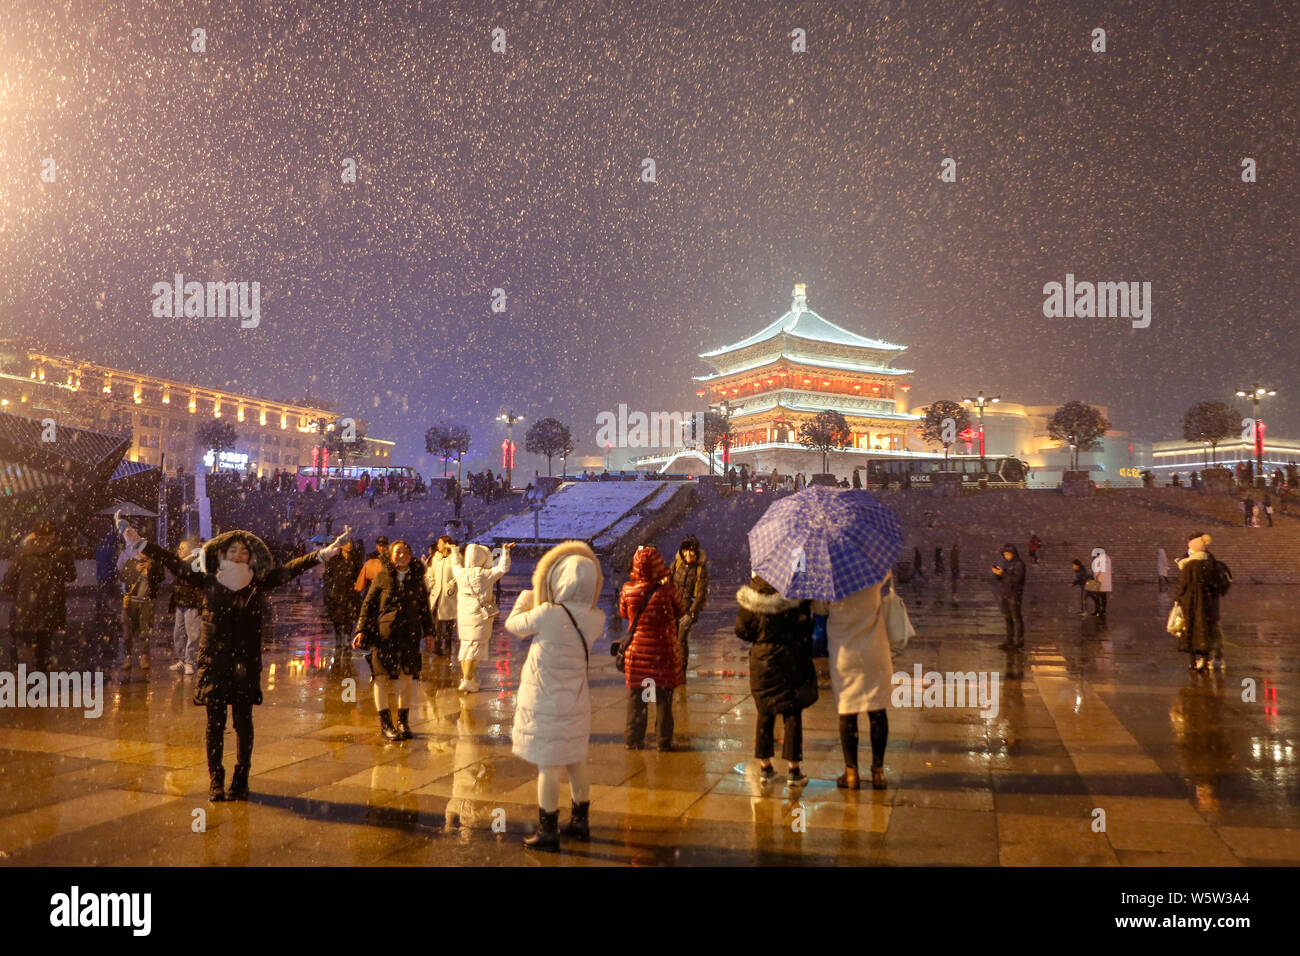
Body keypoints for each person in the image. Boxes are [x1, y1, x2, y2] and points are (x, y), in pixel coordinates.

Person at [119, 519, 351, 802]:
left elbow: (289, 570)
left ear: (250, 556)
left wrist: (321, 555)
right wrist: (141, 543)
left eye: (243, 551)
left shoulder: (257, 581)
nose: (238, 555)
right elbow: (174, 563)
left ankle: (241, 777)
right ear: (222, 555)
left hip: (244, 659)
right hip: (214, 659)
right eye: (232, 551)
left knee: (243, 721)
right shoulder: (208, 578)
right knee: (214, 723)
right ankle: (216, 779)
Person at [504, 540, 606, 851]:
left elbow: (513, 626)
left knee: (548, 766)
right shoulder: (594, 618)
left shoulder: (547, 612)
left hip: (544, 700)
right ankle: (580, 821)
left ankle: (548, 830)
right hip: (575, 701)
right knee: (575, 759)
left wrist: (525, 599)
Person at [734, 573, 817, 785]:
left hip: (763, 661)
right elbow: (806, 628)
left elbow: (742, 631)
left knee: (765, 711)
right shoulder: (795, 592)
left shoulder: (753, 595)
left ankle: (765, 767)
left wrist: (762, 632)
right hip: (790, 659)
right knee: (792, 712)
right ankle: (793, 770)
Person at [815, 574, 895, 790]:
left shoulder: (829, 580)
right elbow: (886, 571)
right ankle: (878, 771)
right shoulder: (871, 576)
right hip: (874, 652)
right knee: (877, 710)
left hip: (845, 654)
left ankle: (851, 774)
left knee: (847, 711)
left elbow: (820, 610)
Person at [354, 541, 433, 741]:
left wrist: (430, 632)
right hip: (383, 635)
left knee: (406, 677)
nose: (403, 554)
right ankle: (386, 724)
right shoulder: (382, 577)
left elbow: (424, 607)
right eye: (398, 551)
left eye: (407, 551)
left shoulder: (417, 578)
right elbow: (368, 605)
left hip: (410, 635)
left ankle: (403, 722)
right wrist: (361, 630)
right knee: (381, 678)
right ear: (391, 555)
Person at [619, 546, 684, 751]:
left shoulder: (628, 590)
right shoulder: (669, 591)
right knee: (664, 699)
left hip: (638, 654)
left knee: (639, 698)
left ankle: (634, 739)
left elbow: (624, 613)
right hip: (663, 653)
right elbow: (680, 611)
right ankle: (663, 741)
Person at [2, 521, 76, 671]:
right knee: (44, 642)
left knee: (25, 643)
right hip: (51, 605)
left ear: (34, 534)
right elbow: (71, 576)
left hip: (25, 606)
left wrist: (18, 593)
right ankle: (39, 675)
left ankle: (27, 672)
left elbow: (9, 581)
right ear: (53, 534)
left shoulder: (23, 552)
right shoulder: (62, 552)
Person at [451, 542, 513, 693]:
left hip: (464, 616)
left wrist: (454, 551)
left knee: (466, 648)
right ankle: (467, 679)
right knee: (474, 650)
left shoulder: (461, 573)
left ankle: (468, 679)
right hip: (479, 616)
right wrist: (505, 551)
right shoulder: (484, 574)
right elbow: (503, 568)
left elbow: (455, 564)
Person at [1175, 532, 1227, 672]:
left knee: (1198, 629)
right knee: (1207, 629)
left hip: (1194, 602)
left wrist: (1178, 600)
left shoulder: (1193, 563)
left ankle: (1212, 657)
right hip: (1207, 602)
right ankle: (1208, 657)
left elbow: (1183, 585)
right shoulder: (1208, 560)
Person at [670, 535, 709, 685]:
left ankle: (681, 671)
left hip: (687, 610)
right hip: (672, 607)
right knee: (671, 639)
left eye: (692, 552)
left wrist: (691, 613)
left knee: (681, 639)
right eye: (686, 551)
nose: (688, 555)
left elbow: (700, 593)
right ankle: (672, 669)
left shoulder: (700, 569)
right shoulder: (676, 565)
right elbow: (669, 582)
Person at [168, 539, 204, 674]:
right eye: (179, 548)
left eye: (182, 548)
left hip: (192, 603)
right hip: (180, 603)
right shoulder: (181, 563)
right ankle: (182, 660)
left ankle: (190, 661)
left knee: (192, 634)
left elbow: (197, 582)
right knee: (178, 632)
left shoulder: (195, 563)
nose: (179, 550)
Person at [322, 536, 364, 647]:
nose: (349, 545)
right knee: (337, 617)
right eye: (346, 543)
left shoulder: (356, 558)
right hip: (337, 592)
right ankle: (338, 636)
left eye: (351, 543)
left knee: (349, 617)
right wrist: (332, 584)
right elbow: (327, 574)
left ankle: (347, 637)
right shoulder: (334, 558)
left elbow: (360, 574)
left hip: (351, 592)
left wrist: (356, 586)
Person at [424, 535, 458, 656]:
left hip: (448, 594)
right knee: (436, 621)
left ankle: (448, 644)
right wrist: (431, 581)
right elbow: (430, 571)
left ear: (446, 544)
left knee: (448, 621)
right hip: (437, 593)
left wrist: (451, 584)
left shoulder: (454, 558)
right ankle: (437, 644)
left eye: (440, 543)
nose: (438, 545)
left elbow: (458, 573)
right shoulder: (435, 558)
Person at [991, 543, 1026, 648]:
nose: (1005, 556)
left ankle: (1019, 641)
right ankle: (1009, 640)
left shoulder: (1019, 564)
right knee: (1007, 618)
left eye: (1007, 554)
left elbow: (1017, 580)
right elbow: (1003, 580)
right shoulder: (1006, 563)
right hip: (1005, 594)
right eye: (1004, 554)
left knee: (1016, 618)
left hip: (1014, 594)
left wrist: (1003, 574)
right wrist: (997, 574)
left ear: (1013, 553)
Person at [1090, 547, 1113, 619]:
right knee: (1103, 597)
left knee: (1096, 597)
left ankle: (1097, 611)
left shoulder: (1100, 559)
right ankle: (1103, 611)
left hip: (1100, 581)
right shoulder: (1108, 559)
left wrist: (1094, 576)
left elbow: (1098, 570)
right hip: (1106, 581)